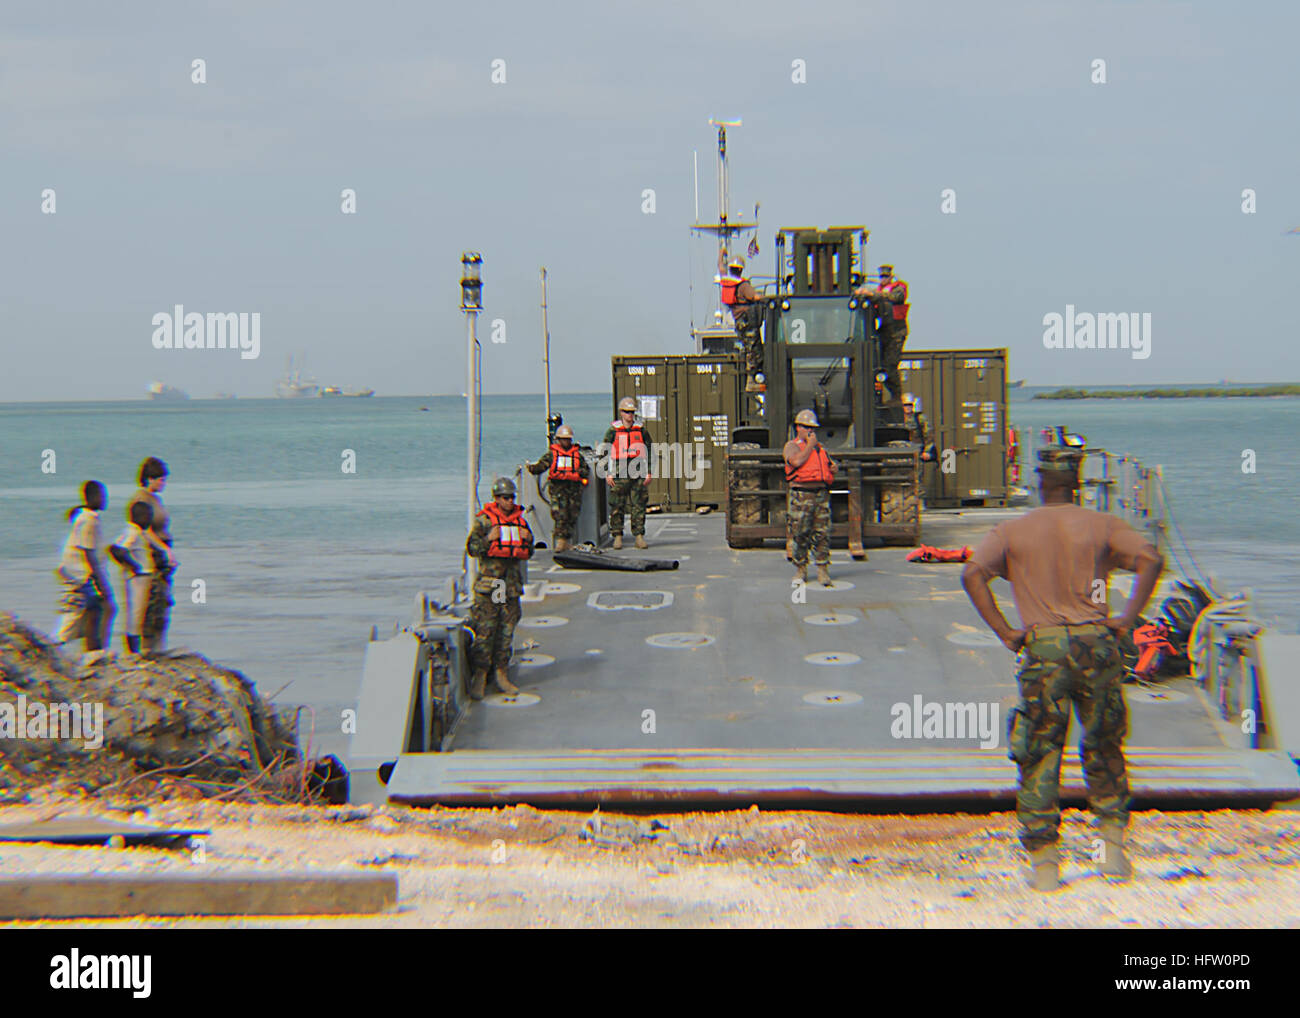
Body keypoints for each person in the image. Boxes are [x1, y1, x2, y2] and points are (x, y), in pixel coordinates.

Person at [961, 445, 1165, 892]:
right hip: (1096, 644)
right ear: (1077, 484)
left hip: (1043, 648)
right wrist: (1127, 618)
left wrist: (1005, 632)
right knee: (1105, 744)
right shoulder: (1103, 525)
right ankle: (1113, 852)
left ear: (1039, 485)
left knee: (1039, 751)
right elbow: (1151, 558)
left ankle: (1045, 866)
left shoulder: (1013, 529)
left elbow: (973, 574)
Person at [465, 477, 534, 700]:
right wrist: (488, 539)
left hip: (510, 585)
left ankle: (501, 673)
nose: (509, 501)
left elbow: (529, 551)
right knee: (486, 630)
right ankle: (480, 675)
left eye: (512, 497)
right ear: (496, 498)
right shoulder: (484, 522)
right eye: (505, 497)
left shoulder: (520, 521)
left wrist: (528, 539)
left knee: (506, 631)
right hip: (491, 584)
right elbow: (472, 549)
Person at [54, 480, 115, 662]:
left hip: (75, 572)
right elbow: (89, 554)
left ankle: (92, 651)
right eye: (102, 496)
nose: (105, 499)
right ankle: (91, 651)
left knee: (91, 610)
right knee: (91, 610)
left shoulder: (86, 517)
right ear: (92, 498)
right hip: (81, 574)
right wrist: (101, 583)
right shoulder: (89, 521)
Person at [126, 457, 176, 653]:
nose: (163, 483)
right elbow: (143, 530)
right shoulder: (141, 500)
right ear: (149, 478)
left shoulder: (155, 498)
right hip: (151, 557)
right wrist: (164, 549)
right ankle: (147, 650)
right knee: (151, 606)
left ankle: (158, 648)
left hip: (162, 558)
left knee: (163, 604)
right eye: (160, 479)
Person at [783, 409, 837, 586]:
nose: (810, 431)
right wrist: (809, 445)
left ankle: (822, 569)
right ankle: (801, 569)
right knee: (800, 533)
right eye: (806, 427)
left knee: (822, 533)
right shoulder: (792, 446)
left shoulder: (820, 449)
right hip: (801, 496)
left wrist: (833, 468)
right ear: (798, 427)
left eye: (813, 428)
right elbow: (797, 462)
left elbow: (829, 465)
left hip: (820, 495)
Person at [527, 424, 589, 552]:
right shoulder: (552, 455)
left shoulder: (577, 455)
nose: (566, 441)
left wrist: (578, 472)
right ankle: (560, 541)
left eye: (568, 439)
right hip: (558, 489)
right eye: (563, 439)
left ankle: (567, 540)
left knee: (572, 515)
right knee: (560, 515)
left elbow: (586, 470)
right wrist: (531, 468)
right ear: (558, 439)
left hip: (574, 490)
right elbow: (541, 466)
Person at [602, 396, 652, 550]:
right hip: (619, 471)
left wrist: (649, 471)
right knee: (617, 505)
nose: (629, 415)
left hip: (637, 471)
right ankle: (617, 536)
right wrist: (607, 473)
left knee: (639, 504)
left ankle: (639, 536)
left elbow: (649, 449)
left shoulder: (641, 430)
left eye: (631, 412)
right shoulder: (612, 431)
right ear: (621, 413)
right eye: (626, 412)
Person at [854, 264, 909, 403]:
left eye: (886, 276)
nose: (883, 279)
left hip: (896, 332)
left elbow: (896, 297)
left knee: (890, 366)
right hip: (884, 332)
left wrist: (872, 294)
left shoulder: (898, 288)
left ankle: (897, 396)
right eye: (882, 276)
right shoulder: (879, 292)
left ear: (891, 276)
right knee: (878, 365)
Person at [109, 500, 155, 656]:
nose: (150, 520)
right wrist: (133, 565)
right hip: (138, 578)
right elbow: (116, 549)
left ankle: (136, 649)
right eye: (148, 516)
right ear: (139, 517)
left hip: (142, 577)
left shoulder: (135, 532)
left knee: (139, 614)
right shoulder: (133, 532)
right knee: (135, 614)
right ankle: (132, 652)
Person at [718, 247, 765, 392]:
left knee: (747, 348)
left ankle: (751, 379)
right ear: (741, 270)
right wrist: (767, 298)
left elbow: (720, 267)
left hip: (738, 321)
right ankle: (752, 381)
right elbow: (755, 297)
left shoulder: (726, 280)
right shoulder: (744, 286)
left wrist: (721, 254)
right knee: (754, 351)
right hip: (748, 320)